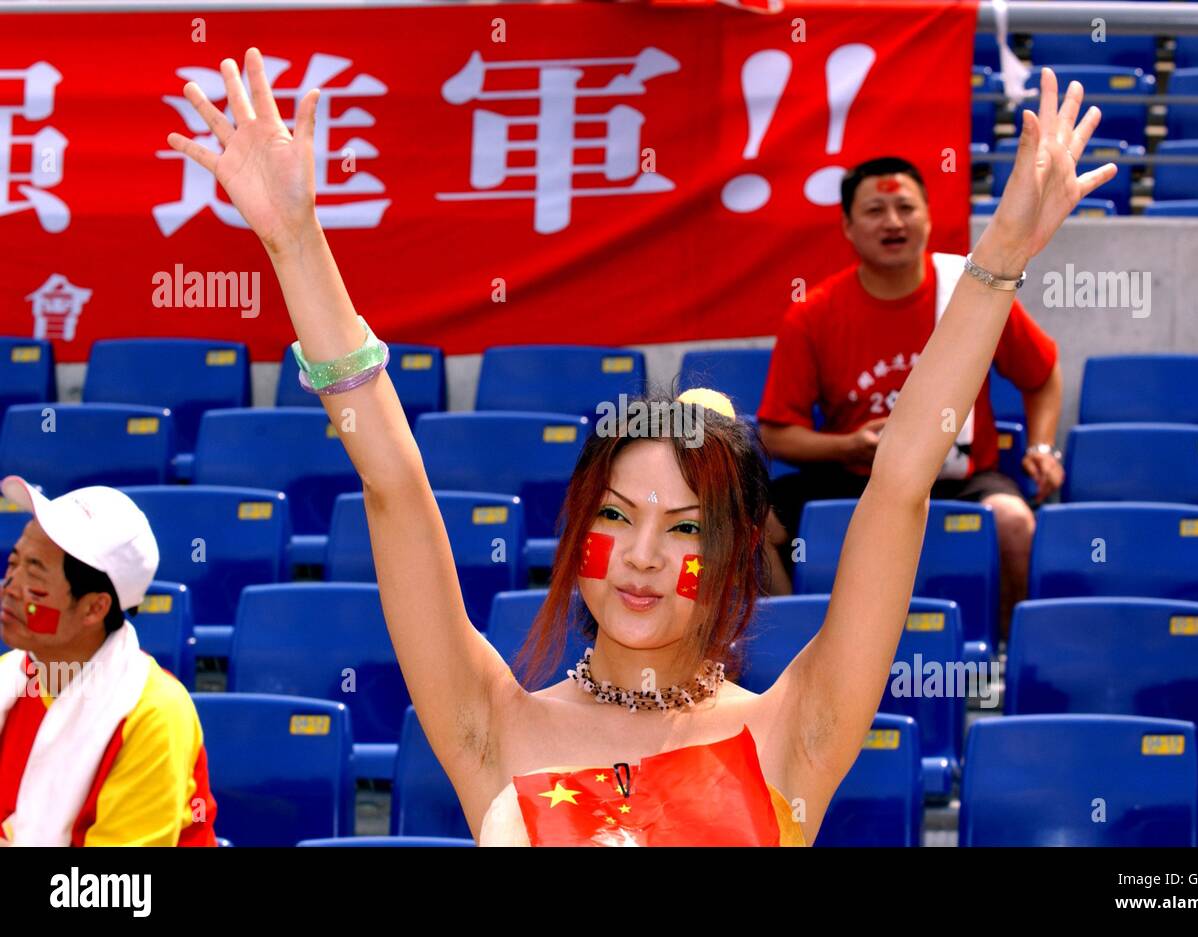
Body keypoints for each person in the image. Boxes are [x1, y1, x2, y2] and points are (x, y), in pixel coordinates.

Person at [166, 49, 1113, 845]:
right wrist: (296, 242)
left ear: (736, 552)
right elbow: (395, 486)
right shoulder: (490, 724)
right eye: (615, 516)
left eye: (685, 526)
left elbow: (903, 480)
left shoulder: (795, 725)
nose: (645, 556)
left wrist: (996, 266)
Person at [757, 157, 1063, 620]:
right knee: (752, 522)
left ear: (928, 215)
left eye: (905, 207)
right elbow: (777, 435)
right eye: (875, 210)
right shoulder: (814, 314)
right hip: (857, 478)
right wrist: (847, 446)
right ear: (847, 226)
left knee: (1015, 523)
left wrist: (1043, 446)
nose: (893, 222)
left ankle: (1004, 665)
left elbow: (1042, 376)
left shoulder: (971, 292)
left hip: (959, 480)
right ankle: (793, 649)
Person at [0, 478, 217, 846]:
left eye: (34, 573)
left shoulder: (154, 714)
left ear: (94, 608)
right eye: (13, 563)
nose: (10, 587)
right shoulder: (9, 678)